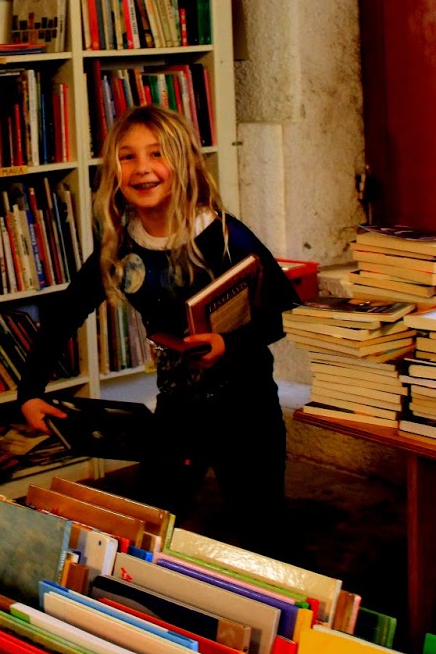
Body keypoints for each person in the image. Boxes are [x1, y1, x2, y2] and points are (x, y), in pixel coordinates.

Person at [16, 104, 298, 553]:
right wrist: (29, 391)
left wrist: (229, 342)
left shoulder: (224, 235)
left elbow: (277, 310)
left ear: (183, 162)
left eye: (157, 154)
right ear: (113, 171)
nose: (142, 168)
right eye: (127, 157)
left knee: (263, 536)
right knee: (149, 534)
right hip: (178, 409)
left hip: (247, 413)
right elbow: (64, 314)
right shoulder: (121, 241)